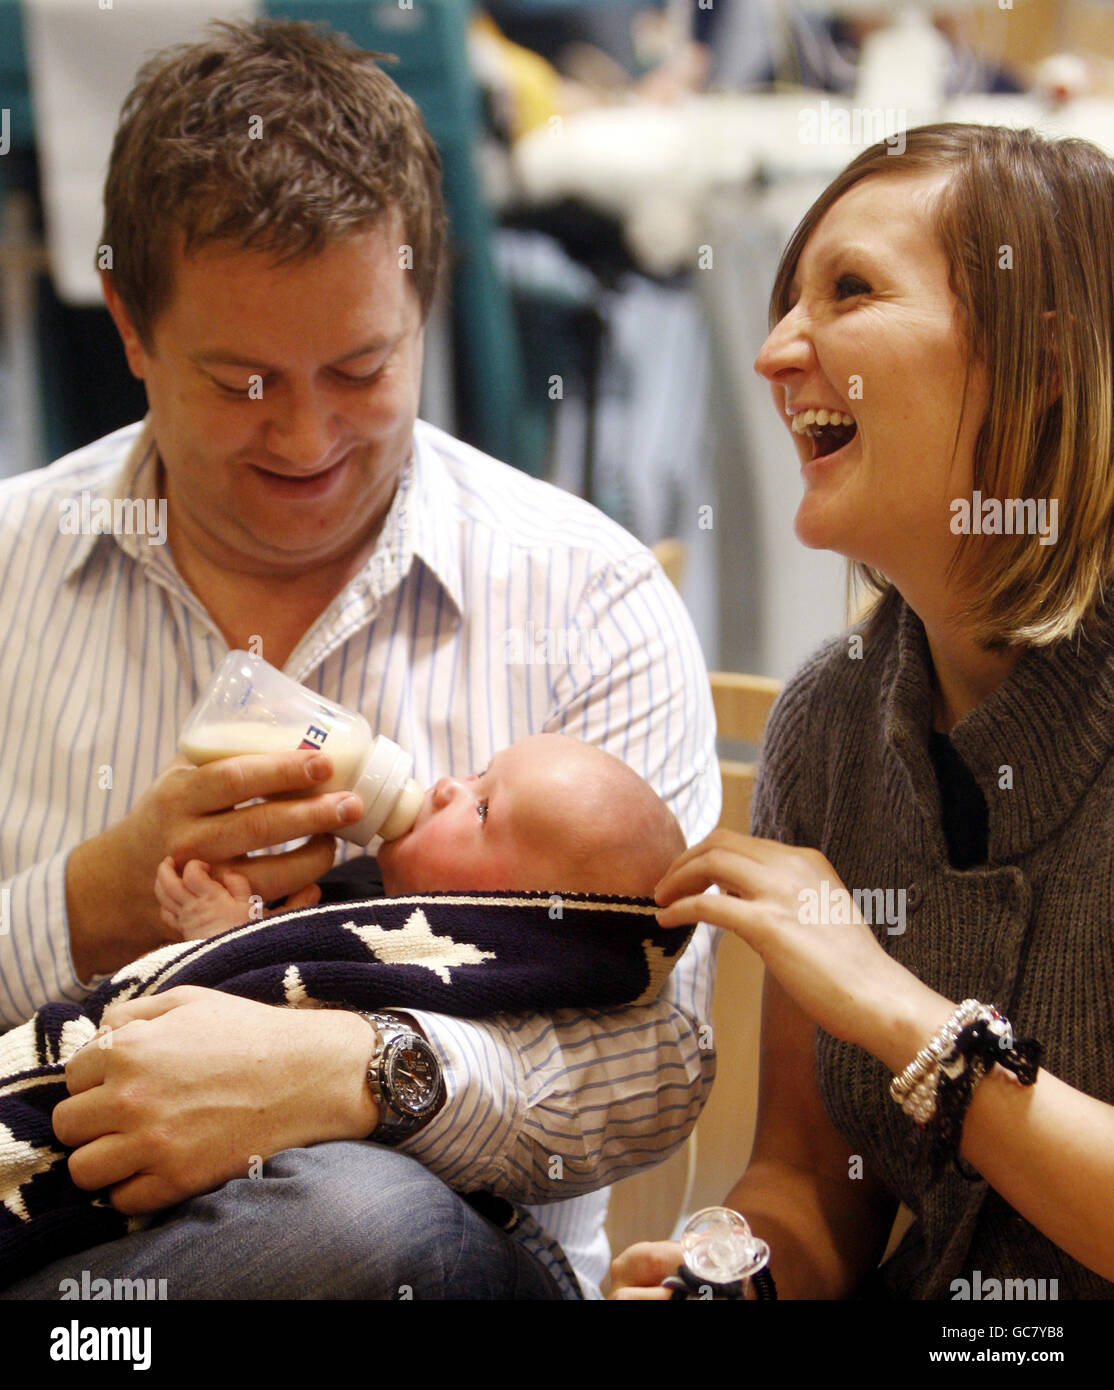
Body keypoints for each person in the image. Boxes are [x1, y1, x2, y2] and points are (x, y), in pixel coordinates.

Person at [0, 19, 719, 1300]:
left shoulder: (585, 595)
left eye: (361, 365)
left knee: (368, 1219)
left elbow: (652, 1061)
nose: (307, 435)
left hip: (405, 1269)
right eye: (239, 380)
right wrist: (97, 896)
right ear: (129, 323)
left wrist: (357, 1072)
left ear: (425, 301)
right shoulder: (11, 568)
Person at [611, 123, 1114, 1299]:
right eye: (788, 300)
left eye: (849, 291)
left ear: (1042, 360)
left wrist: (894, 1008)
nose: (775, 350)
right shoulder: (830, 719)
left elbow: (889, 1022)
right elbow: (808, 1181)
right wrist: (726, 1274)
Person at [158, 732, 686, 937]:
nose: (445, 787)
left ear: (520, 912)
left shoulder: (442, 967)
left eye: (482, 811)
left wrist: (224, 937)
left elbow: (278, 1013)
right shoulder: (373, 891)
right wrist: (259, 920)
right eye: (478, 773)